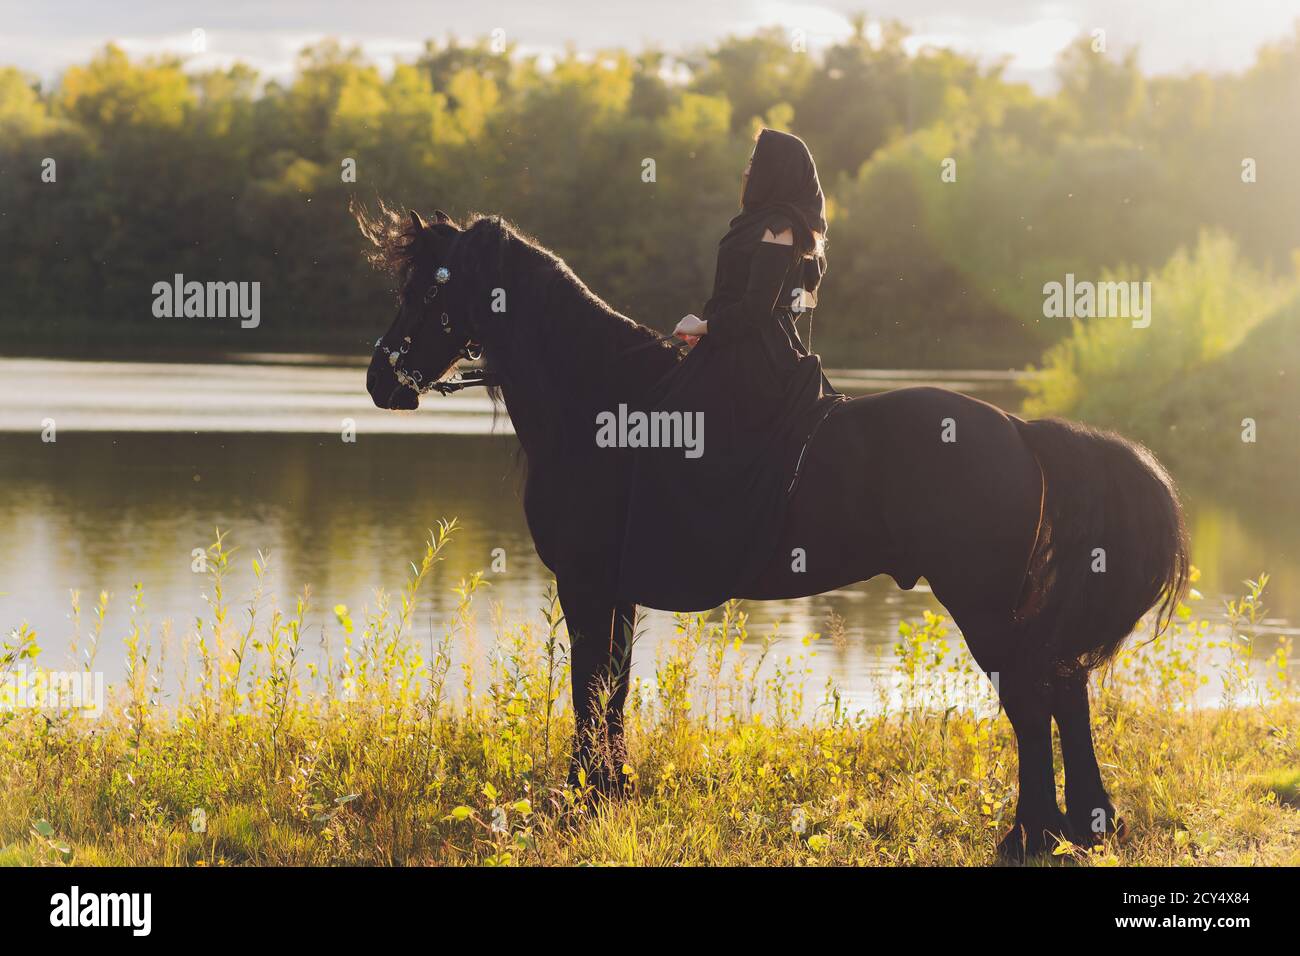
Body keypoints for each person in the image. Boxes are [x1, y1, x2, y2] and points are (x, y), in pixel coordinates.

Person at [618, 127, 844, 611]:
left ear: (774, 171)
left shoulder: (779, 227)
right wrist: (705, 331)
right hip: (732, 346)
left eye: (754, 160)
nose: (745, 169)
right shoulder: (756, 221)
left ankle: (693, 554)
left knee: (671, 430)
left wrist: (703, 326)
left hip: (757, 356)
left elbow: (758, 309)